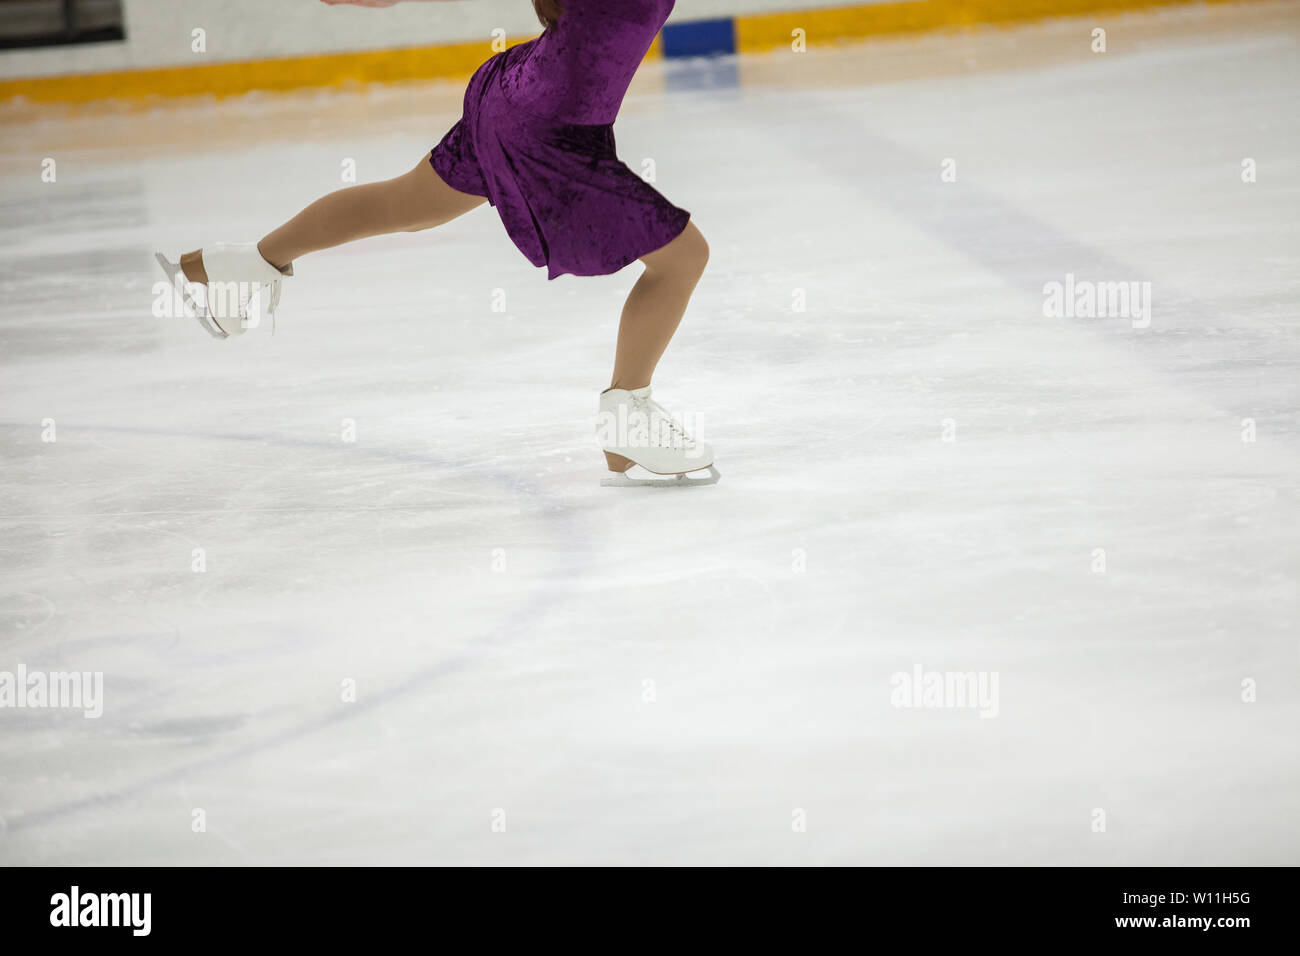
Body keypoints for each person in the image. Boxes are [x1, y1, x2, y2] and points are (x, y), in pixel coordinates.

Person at [157, 0, 718, 486]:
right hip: (548, 126)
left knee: (408, 205)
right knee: (682, 258)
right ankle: (627, 414)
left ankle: (243, 265)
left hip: (519, 93)